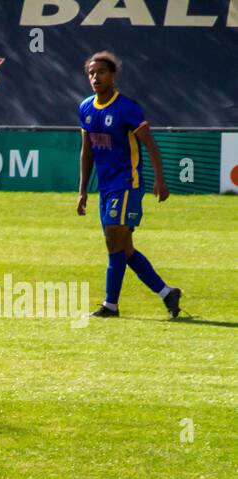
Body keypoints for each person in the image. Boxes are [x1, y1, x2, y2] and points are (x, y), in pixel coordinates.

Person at [77, 52, 181, 319]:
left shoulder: (127, 108)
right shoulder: (86, 108)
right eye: (91, 73)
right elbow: (86, 152)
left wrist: (160, 178)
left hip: (128, 183)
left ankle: (110, 305)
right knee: (124, 248)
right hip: (106, 187)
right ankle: (167, 293)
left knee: (114, 239)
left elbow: (150, 144)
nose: (95, 77)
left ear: (113, 75)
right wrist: (82, 191)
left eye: (100, 72)